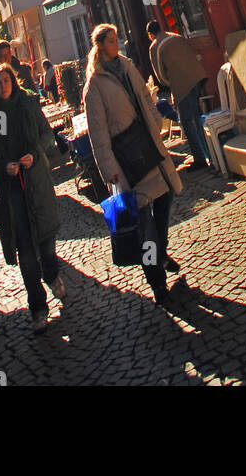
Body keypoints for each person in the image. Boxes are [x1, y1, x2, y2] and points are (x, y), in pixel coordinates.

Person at [84, 23, 184, 307]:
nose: (118, 44)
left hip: (148, 148)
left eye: (117, 39)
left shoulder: (127, 67)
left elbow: (145, 97)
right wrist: (109, 171)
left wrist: (154, 120)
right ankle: (157, 281)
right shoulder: (94, 86)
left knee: (164, 200)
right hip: (127, 162)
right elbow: (98, 133)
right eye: (112, 41)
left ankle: (161, 253)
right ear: (100, 46)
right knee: (145, 227)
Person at [0, 65, 64, 333]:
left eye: (7, 80)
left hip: (36, 182)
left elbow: (47, 134)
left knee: (46, 243)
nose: (4, 85)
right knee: (26, 251)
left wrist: (35, 154)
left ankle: (51, 273)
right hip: (13, 192)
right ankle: (38, 308)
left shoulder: (27, 104)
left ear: (13, 82)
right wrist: (3, 167)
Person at [147, 20, 210, 171]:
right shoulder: (176, 36)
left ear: (150, 34)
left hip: (182, 84)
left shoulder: (155, 46)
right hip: (197, 77)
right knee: (196, 116)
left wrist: (172, 84)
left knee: (188, 122)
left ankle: (200, 158)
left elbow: (160, 75)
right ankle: (209, 151)